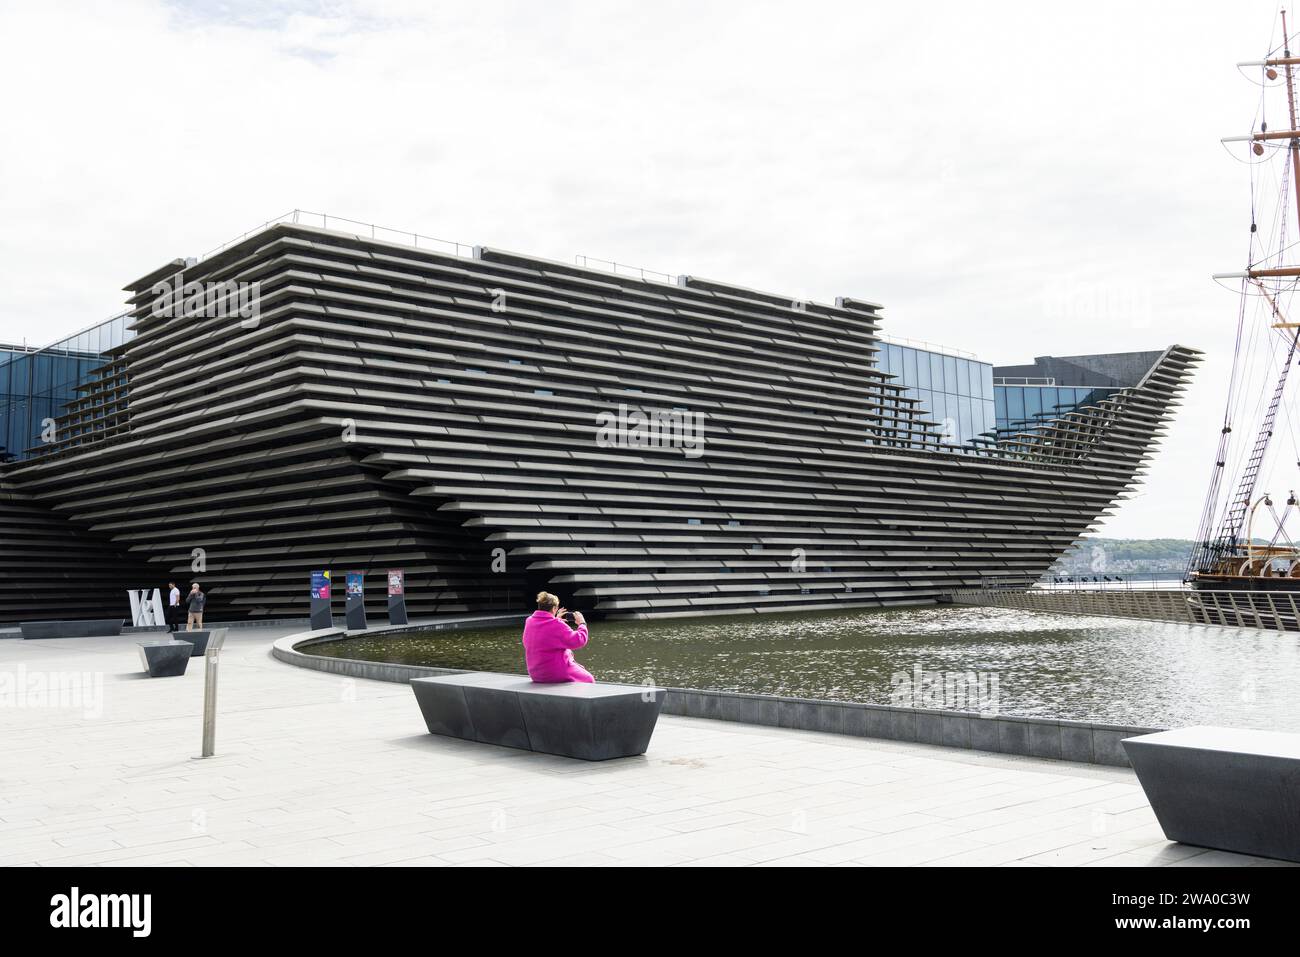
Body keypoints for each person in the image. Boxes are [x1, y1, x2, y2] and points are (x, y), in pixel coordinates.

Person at [522, 591, 593, 683]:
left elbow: (541, 637)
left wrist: (556, 619)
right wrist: (582, 623)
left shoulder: (530, 621)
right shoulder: (556, 624)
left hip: (536, 674)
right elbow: (579, 640)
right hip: (554, 673)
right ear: (554, 608)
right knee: (589, 679)